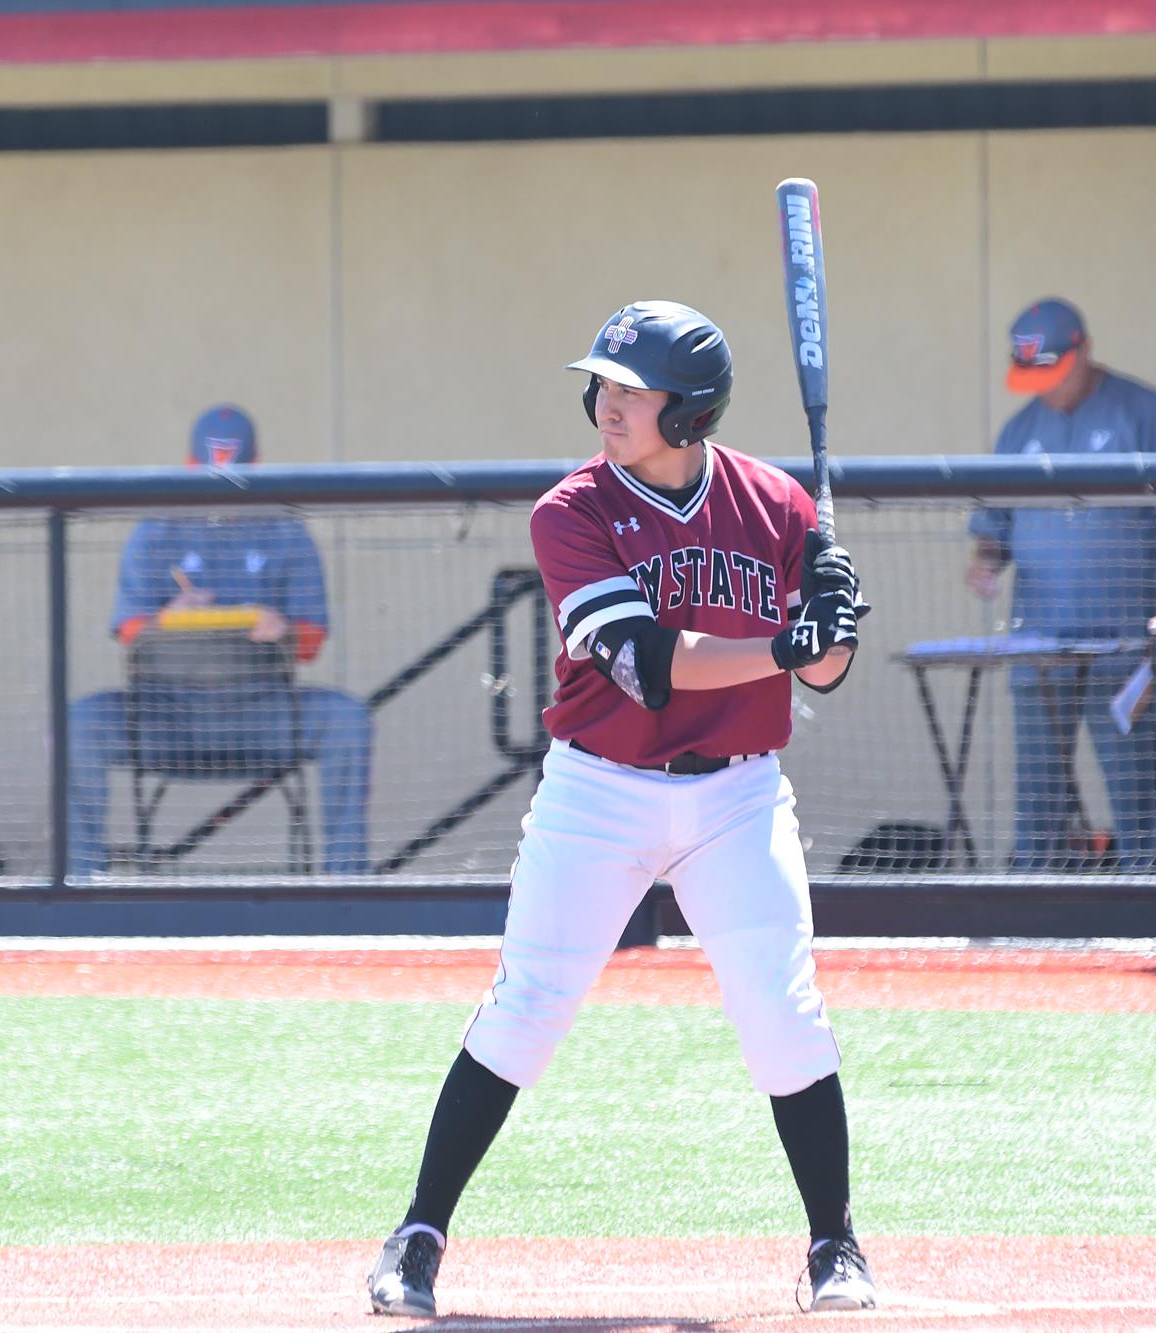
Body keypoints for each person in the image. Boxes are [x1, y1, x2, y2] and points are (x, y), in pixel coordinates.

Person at [366, 302, 872, 1317]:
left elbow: (826, 671)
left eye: (632, 390)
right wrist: (783, 642)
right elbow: (646, 666)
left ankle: (833, 1245)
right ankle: (416, 1235)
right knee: (527, 1008)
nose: (606, 402)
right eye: (601, 382)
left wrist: (827, 610)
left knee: (781, 1014)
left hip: (735, 792)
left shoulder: (776, 504)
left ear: (688, 412)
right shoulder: (571, 512)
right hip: (598, 787)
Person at [66, 405, 372, 875]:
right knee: (82, 721)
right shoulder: (157, 528)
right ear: (190, 466)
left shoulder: (285, 530)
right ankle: (80, 882)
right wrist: (169, 620)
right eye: (209, 477)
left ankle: (346, 883)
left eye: (233, 479)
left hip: (261, 712)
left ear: (256, 469)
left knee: (347, 719)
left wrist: (283, 629)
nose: (221, 491)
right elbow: (128, 633)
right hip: (165, 714)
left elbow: (312, 641)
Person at [965, 299, 1156, 875]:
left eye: (1054, 372)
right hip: (1039, 642)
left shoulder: (1145, 412)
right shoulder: (1019, 431)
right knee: (1038, 794)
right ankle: (1034, 920)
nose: (1045, 389)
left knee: (1137, 783)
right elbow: (994, 530)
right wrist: (986, 564)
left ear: (1083, 349)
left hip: (1127, 640)